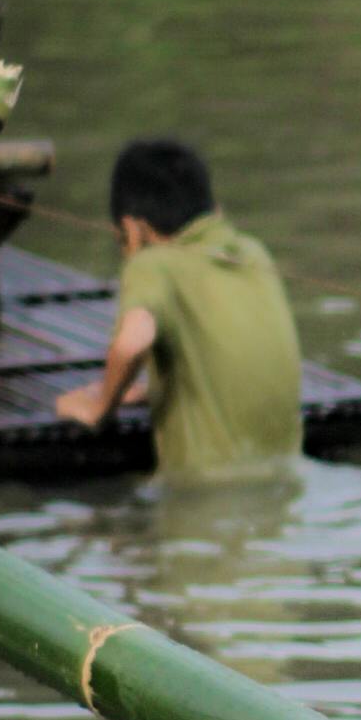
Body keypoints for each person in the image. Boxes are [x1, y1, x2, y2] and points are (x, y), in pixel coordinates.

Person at [54, 136, 303, 478]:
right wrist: (148, 390)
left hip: (203, 501)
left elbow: (132, 343)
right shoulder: (253, 252)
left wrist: (99, 407)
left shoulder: (153, 264)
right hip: (286, 480)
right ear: (214, 210)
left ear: (132, 230)